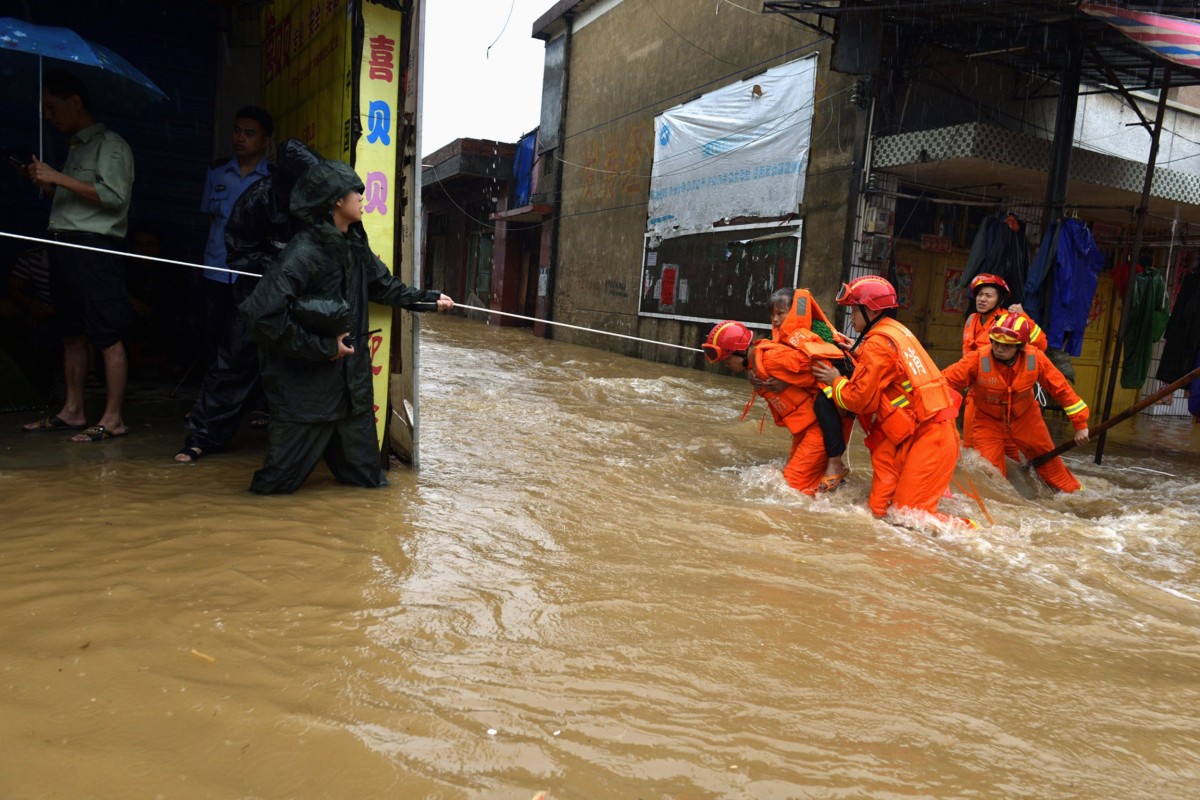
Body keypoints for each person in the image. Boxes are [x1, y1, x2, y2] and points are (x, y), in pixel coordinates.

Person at [238, 159, 454, 494]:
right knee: (274, 488)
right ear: (337, 200)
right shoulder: (303, 253)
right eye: (356, 191)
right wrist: (323, 347)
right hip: (307, 399)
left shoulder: (354, 244)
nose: (362, 198)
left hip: (353, 395)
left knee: (370, 486)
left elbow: (383, 286)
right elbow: (261, 316)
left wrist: (429, 299)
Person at [174, 138, 321, 463]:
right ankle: (203, 437)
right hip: (257, 294)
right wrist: (276, 266)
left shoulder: (319, 203)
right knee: (233, 362)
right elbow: (238, 250)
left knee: (302, 365)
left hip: (301, 297)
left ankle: (298, 446)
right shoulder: (258, 199)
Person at [20, 69, 134, 442]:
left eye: (52, 107)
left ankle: (113, 418)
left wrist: (57, 177)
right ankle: (73, 410)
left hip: (93, 247)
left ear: (76, 102)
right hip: (64, 244)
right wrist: (45, 183)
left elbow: (113, 197)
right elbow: (75, 197)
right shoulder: (75, 147)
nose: (48, 116)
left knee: (107, 332)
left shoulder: (110, 145)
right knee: (70, 333)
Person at [811, 276, 972, 527]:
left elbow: (857, 399)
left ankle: (974, 535)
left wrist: (835, 380)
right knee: (880, 511)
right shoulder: (892, 332)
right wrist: (857, 350)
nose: (851, 316)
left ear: (872, 310)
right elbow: (886, 365)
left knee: (909, 516)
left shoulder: (878, 343)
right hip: (915, 430)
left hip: (929, 435)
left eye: (855, 310)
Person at [703, 291, 851, 495]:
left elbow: (818, 363)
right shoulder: (757, 361)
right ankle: (845, 499)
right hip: (805, 430)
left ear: (739, 352)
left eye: (726, 359)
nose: (726, 365)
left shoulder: (771, 358)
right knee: (807, 486)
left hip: (819, 430)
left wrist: (786, 380)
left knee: (791, 489)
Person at [941, 310, 1088, 493]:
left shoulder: (1036, 359)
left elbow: (1062, 389)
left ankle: (1078, 497)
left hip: (1026, 418)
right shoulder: (976, 359)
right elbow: (943, 383)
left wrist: (1080, 424)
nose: (999, 348)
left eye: (1007, 345)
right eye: (996, 342)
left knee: (1052, 467)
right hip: (987, 421)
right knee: (990, 477)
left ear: (1020, 346)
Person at [197, 107, 274, 368]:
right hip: (215, 269)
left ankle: (240, 392)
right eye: (237, 131)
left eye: (249, 134)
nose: (240, 138)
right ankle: (211, 391)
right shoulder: (216, 171)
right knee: (213, 334)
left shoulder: (273, 179)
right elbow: (209, 219)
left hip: (252, 275)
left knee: (247, 339)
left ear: (265, 141)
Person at [960, 273, 1046, 453]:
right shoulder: (971, 319)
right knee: (970, 446)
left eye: (988, 296)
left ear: (999, 300)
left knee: (1007, 448)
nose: (982, 299)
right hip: (976, 392)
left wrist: (1024, 317)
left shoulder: (1009, 319)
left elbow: (1041, 344)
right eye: (980, 295)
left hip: (1003, 394)